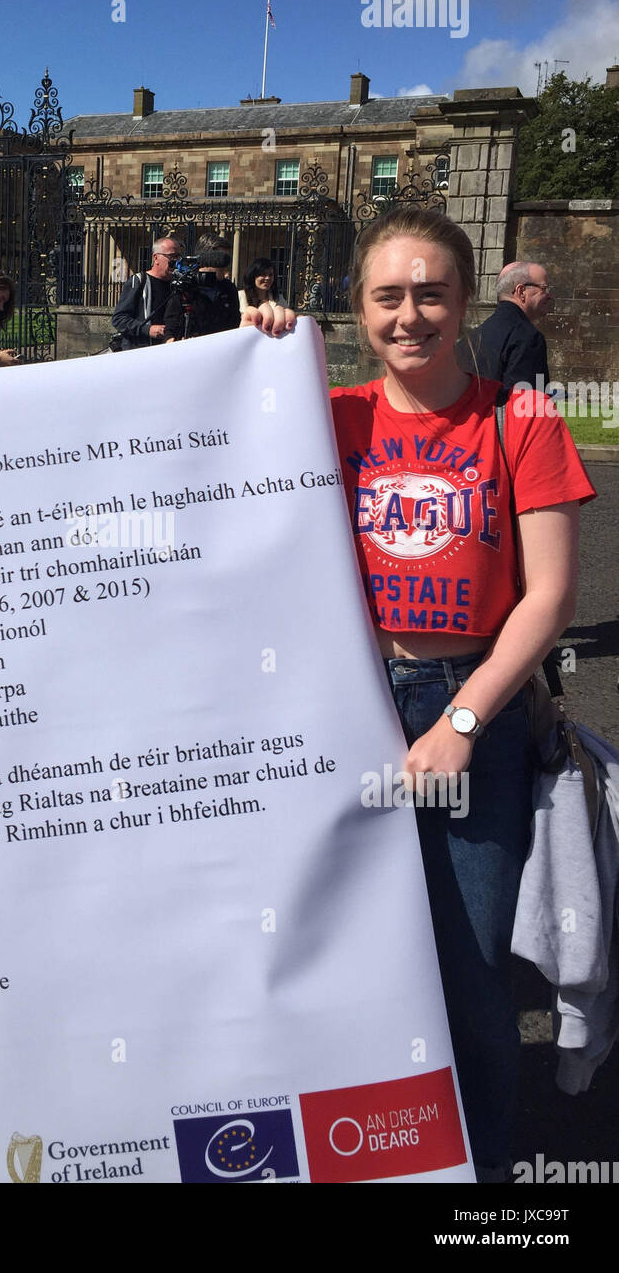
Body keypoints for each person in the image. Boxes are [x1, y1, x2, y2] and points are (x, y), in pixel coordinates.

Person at [325, 209, 593, 1179]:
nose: (411, 315)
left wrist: (463, 721)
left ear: (466, 304)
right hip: (352, 705)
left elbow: (552, 593)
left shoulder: (520, 418)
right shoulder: (333, 416)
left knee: (474, 967)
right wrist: (255, 343)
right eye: (388, 295)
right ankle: (379, 1146)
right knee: (352, 949)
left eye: (431, 293)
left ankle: (475, 1166)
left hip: (473, 708)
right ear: (359, 309)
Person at [462, 261, 553, 391]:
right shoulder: (528, 338)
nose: (549, 296)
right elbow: (527, 404)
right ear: (521, 291)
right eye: (544, 289)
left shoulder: (471, 338)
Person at [110, 236, 183, 350]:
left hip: (170, 351)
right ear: (156, 257)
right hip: (141, 351)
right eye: (171, 256)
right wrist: (147, 329)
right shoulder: (139, 281)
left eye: (178, 256)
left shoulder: (179, 284)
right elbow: (119, 319)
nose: (176, 261)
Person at [162, 239, 241, 341]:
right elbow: (171, 327)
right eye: (221, 258)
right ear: (206, 258)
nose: (225, 265)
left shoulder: (229, 288)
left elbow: (234, 323)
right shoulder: (185, 286)